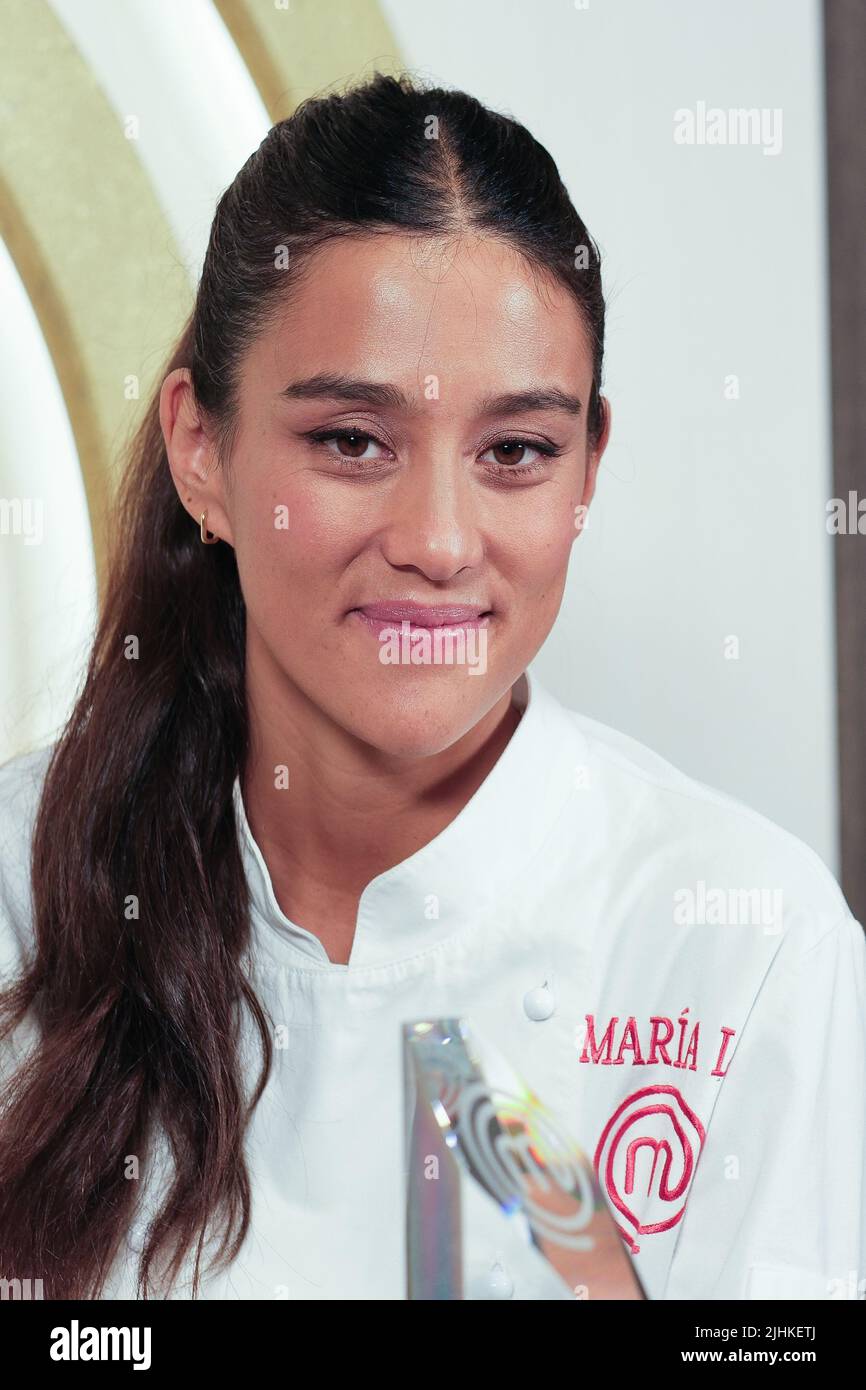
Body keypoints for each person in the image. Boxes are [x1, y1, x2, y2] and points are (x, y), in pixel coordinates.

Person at [0, 72, 863, 1302]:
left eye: (514, 451)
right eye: (352, 441)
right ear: (203, 451)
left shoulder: (745, 950)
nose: (441, 540)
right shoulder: (20, 896)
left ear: (584, 471)